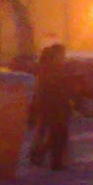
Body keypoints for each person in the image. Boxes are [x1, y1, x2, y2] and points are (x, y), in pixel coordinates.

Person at [29, 43, 71, 171]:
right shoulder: (51, 68)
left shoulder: (50, 67)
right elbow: (51, 86)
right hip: (52, 104)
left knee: (52, 132)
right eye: (62, 54)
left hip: (50, 104)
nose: (63, 57)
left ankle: (42, 155)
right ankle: (52, 159)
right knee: (57, 133)